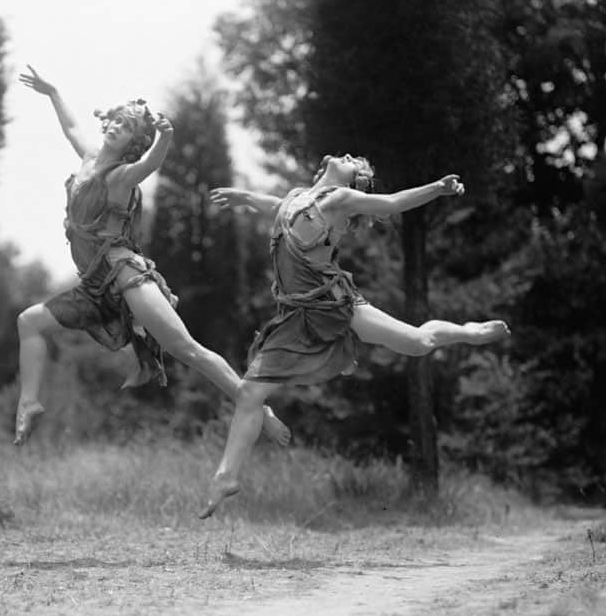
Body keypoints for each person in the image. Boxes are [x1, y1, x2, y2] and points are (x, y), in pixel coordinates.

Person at [197, 153, 511, 518]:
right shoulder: (299, 196)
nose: (348, 156)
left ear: (354, 180)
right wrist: (245, 197)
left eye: (356, 162)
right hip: (297, 315)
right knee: (251, 392)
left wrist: (437, 189)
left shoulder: (340, 200)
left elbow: (393, 203)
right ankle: (226, 476)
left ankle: (468, 332)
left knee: (417, 343)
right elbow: (274, 207)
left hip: (336, 305)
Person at [13, 65, 292, 447]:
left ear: (132, 140)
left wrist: (164, 136)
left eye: (125, 127)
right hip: (94, 286)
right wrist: (54, 92)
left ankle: (262, 412)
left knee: (188, 350)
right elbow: (72, 129)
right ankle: (28, 402)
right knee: (28, 321)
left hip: (126, 279)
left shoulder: (121, 176)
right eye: (115, 121)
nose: (114, 127)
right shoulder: (89, 157)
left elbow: (150, 165)